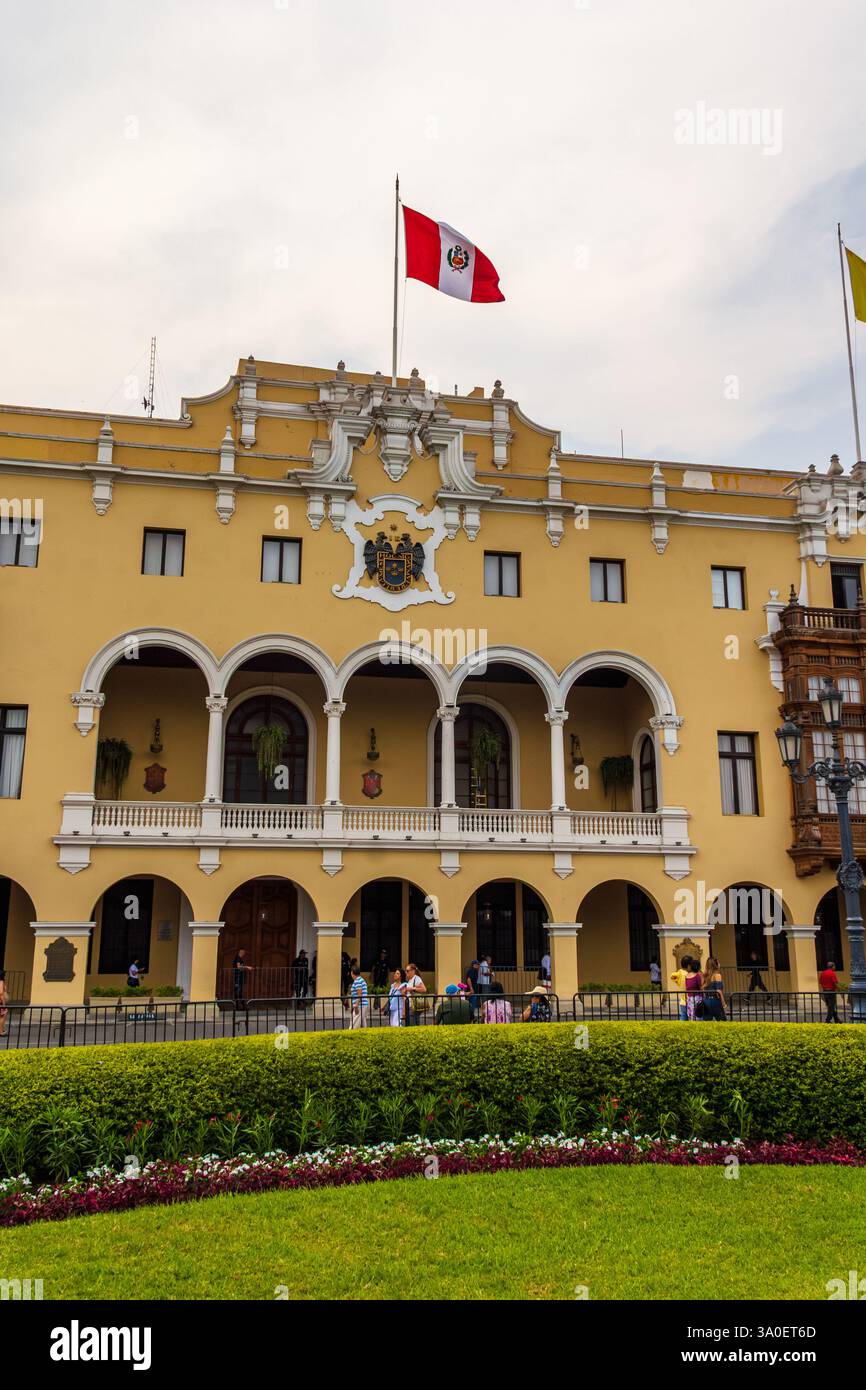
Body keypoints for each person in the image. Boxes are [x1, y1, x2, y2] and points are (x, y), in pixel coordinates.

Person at [670, 957, 690, 1021]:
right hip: (690, 1000)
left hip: (683, 1001)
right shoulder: (688, 974)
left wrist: (677, 982)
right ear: (689, 965)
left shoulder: (680, 973)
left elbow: (672, 976)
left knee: (683, 1017)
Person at [0, 969, 8, 1037]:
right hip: (0, 1002)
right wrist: (4, 1004)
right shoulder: (1, 981)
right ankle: (1, 1031)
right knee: (3, 1016)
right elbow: (1, 993)